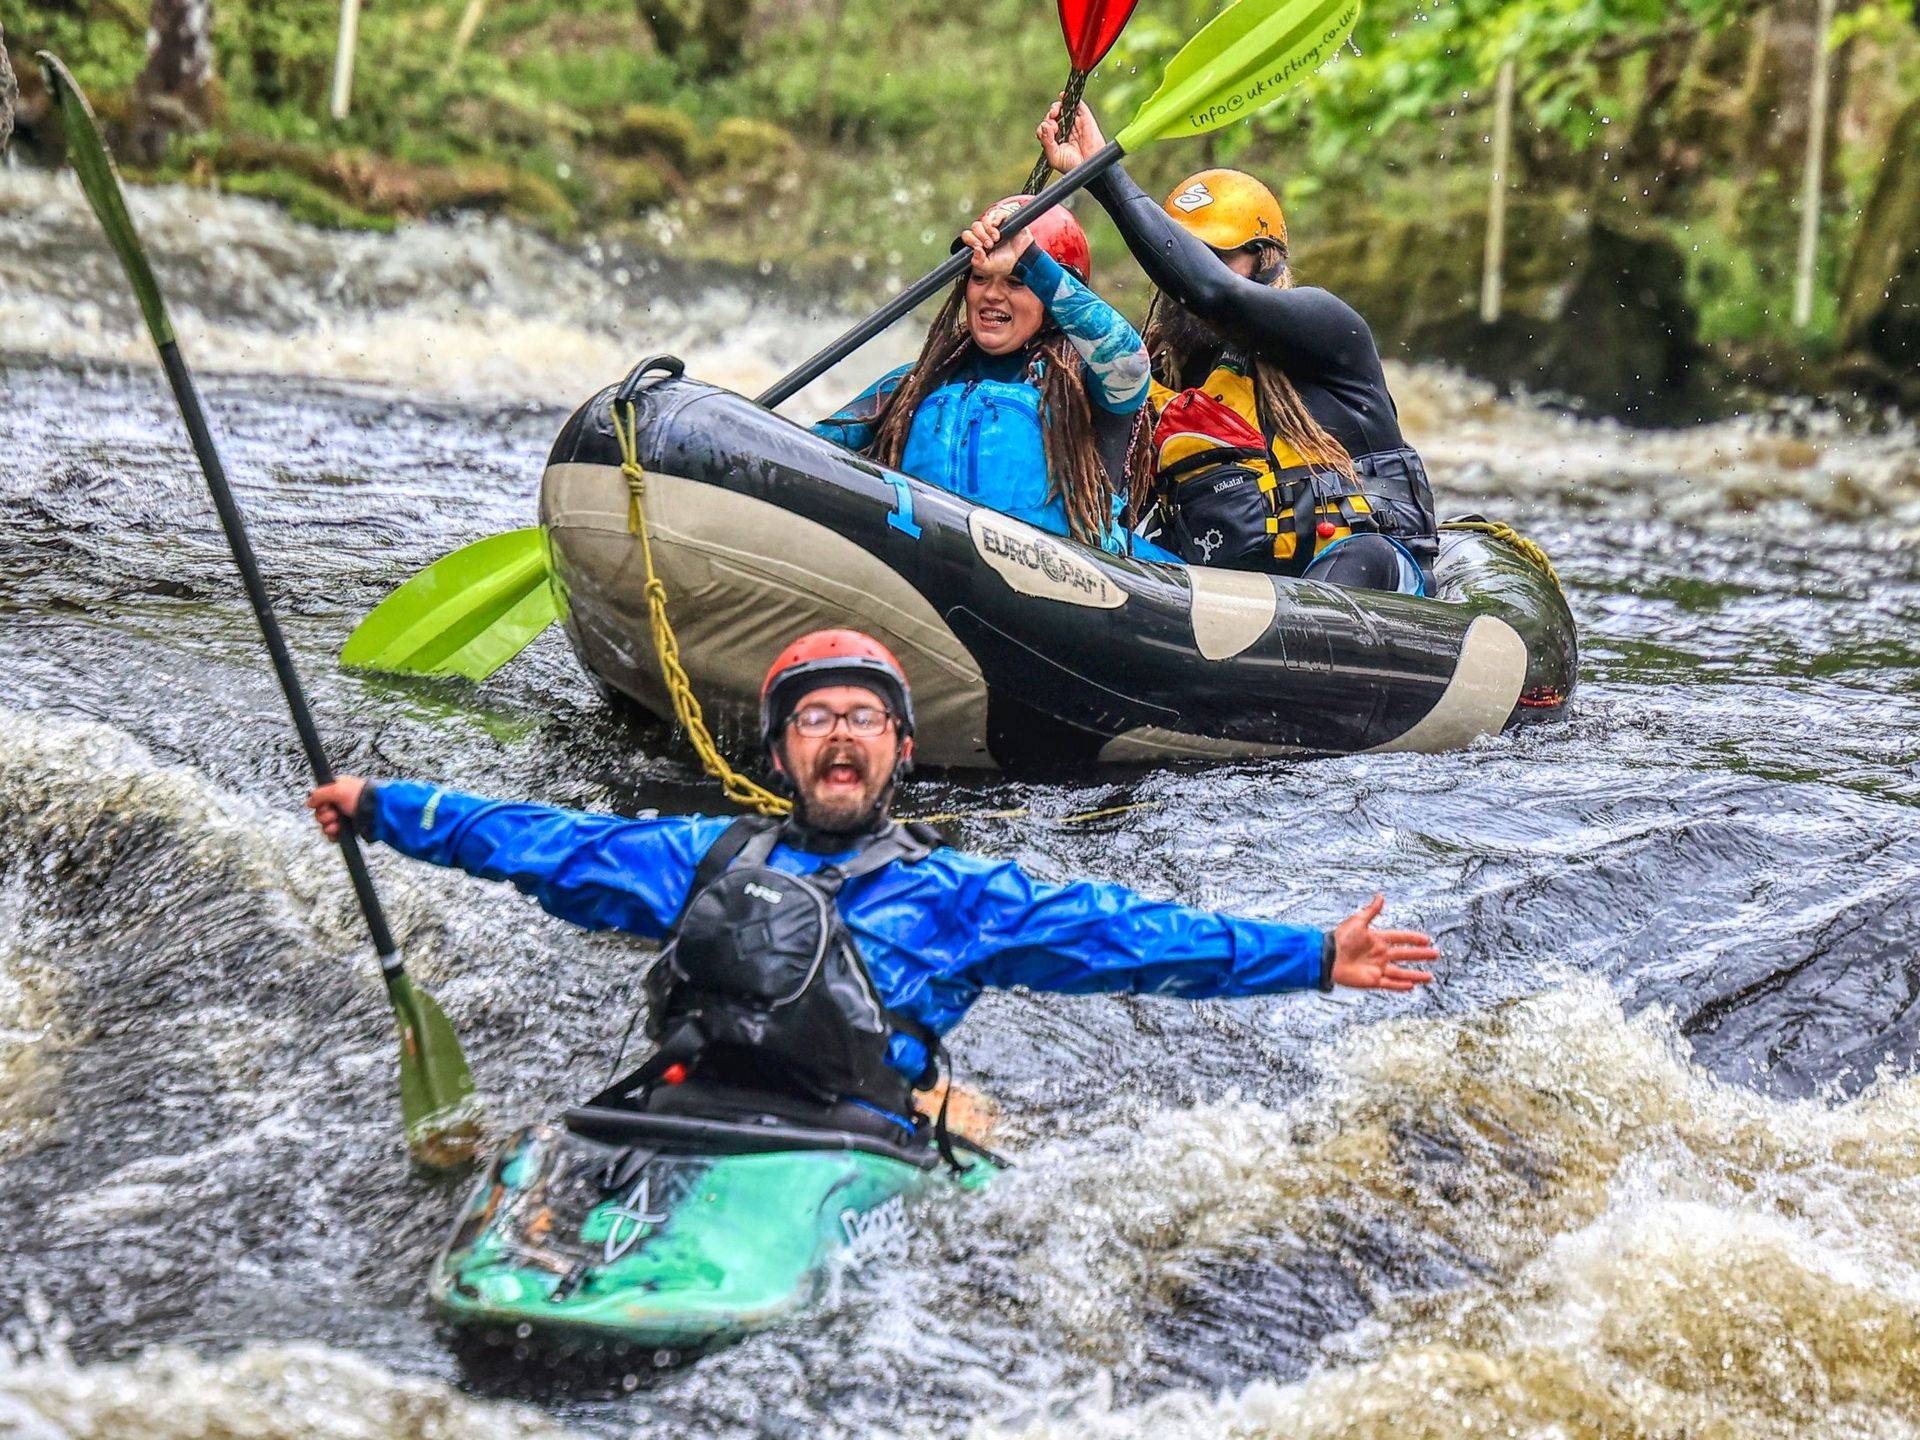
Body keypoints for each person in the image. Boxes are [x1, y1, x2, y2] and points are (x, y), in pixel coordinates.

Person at [307, 629, 1437, 1142]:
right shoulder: (696, 858)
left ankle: (949, 1112)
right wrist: (381, 808)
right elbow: (539, 842)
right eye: (815, 718)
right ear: (782, 752)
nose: (839, 735)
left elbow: (1131, 935)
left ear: (899, 753)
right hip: (683, 1110)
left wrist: (1315, 958)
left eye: (864, 719)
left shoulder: (961, 898)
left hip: (844, 1139)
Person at [1037, 101, 1441, 594]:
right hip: (1226, 598)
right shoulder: (1154, 380)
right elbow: (1106, 509)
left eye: (1216, 255)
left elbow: (1215, 294)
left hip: (1369, 578)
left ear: (1267, 261)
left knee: (1365, 553)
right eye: (1186, 253)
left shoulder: (1328, 331)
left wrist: (1100, 173)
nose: (1185, 274)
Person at [812, 201, 1173, 558]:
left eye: (1016, 282)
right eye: (980, 278)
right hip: (927, 573)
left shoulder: (1084, 383)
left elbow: (1130, 365)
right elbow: (812, 448)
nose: (991, 295)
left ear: (1055, 297)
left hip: (1059, 587)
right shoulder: (916, 384)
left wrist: (1030, 259)